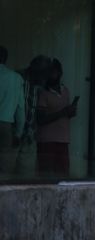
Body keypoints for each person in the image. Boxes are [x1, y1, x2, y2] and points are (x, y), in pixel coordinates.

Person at [37, 58, 76, 176]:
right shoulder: (43, 93)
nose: (50, 75)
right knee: (46, 175)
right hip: (47, 141)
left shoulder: (66, 91)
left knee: (63, 175)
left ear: (59, 73)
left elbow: (67, 115)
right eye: (48, 72)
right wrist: (63, 112)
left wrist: (71, 112)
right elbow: (40, 119)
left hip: (63, 140)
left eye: (52, 72)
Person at [16, 55, 51, 178]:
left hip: (29, 138)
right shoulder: (17, 77)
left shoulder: (43, 84)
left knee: (25, 178)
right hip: (12, 135)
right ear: (33, 68)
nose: (44, 77)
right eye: (41, 73)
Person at [0, 46, 25, 177]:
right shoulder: (16, 78)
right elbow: (21, 109)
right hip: (5, 125)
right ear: (5, 59)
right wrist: (18, 133)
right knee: (5, 167)